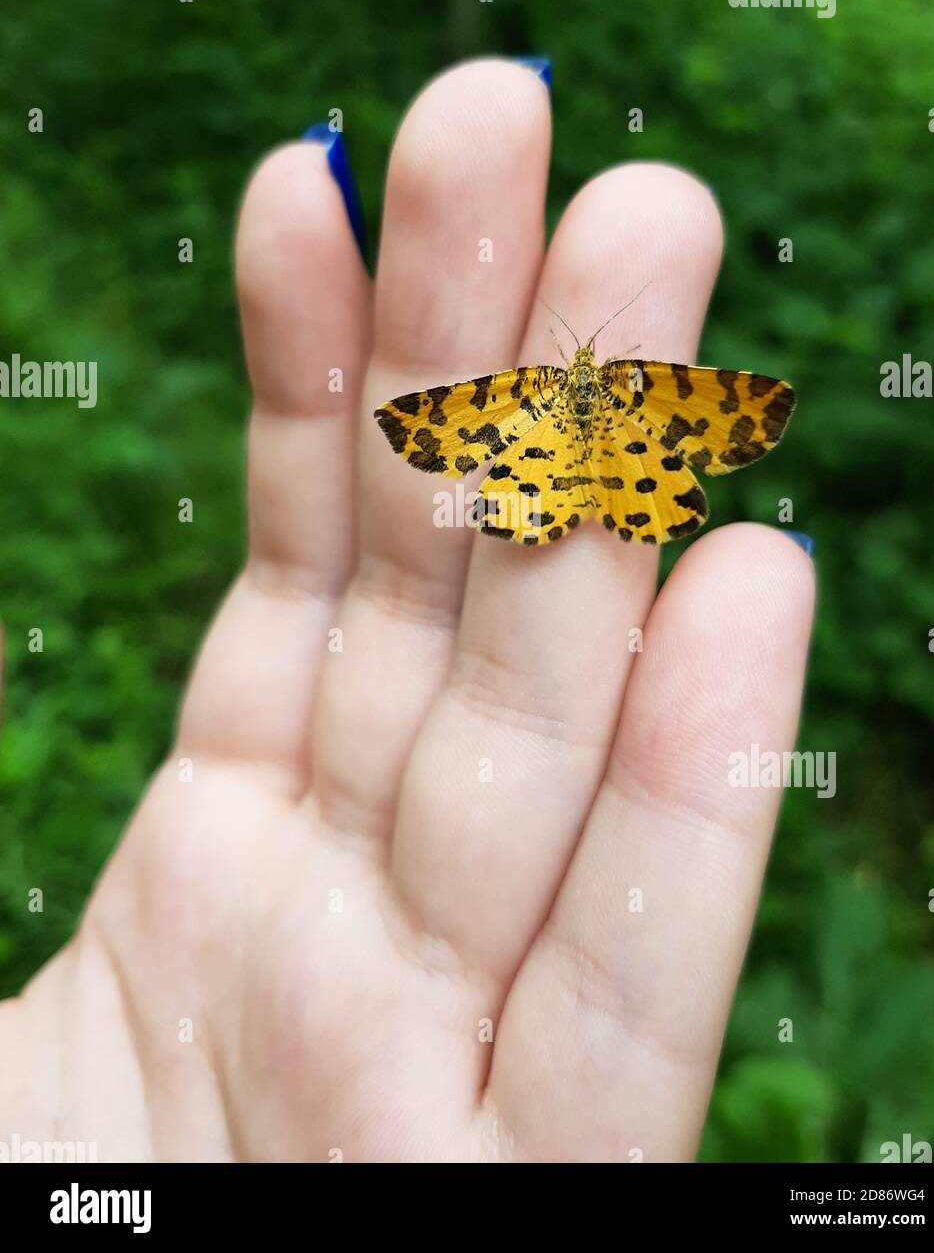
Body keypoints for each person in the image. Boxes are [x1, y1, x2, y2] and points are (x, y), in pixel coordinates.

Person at [0, 59, 814, 1162]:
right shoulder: (612, 392)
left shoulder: (523, 399)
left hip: (540, 459)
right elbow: (456, 429)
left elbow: (466, 429)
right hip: (608, 464)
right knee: (614, 494)